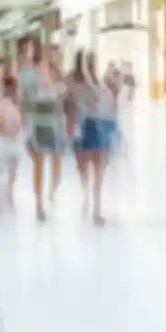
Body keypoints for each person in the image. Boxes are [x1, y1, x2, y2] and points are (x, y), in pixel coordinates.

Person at [17, 37, 66, 222]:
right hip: (38, 122)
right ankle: (39, 202)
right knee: (39, 162)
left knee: (56, 161)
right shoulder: (31, 76)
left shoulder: (57, 77)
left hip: (53, 122)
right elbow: (24, 94)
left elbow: (63, 96)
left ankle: (52, 189)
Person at [72, 51, 117, 226]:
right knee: (92, 169)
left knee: (96, 170)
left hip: (96, 127)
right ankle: (91, 201)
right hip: (93, 127)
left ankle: (95, 206)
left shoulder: (98, 85)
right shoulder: (86, 86)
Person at [0, 74, 23, 213]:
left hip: (8, 140)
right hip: (3, 140)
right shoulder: (3, 104)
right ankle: (4, 197)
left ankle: (7, 195)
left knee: (9, 171)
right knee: (5, 171)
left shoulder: (7, 103)